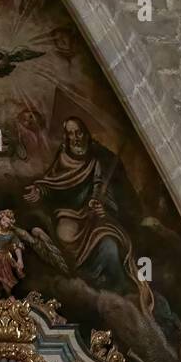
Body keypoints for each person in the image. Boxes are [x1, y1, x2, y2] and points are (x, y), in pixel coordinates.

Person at [24, 116, 152, 310]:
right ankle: (82, 281)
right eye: (70, 134)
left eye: (78, 133)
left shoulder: (97, 161)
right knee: (64, 234)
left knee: (109, 243)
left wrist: (101, 206)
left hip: (94, 215)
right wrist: (39, 190)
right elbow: (50, 182)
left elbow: (99, 186)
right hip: (68, 213)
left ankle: (116, 286)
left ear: (85, 134)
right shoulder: (62, 158)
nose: (75, 138)